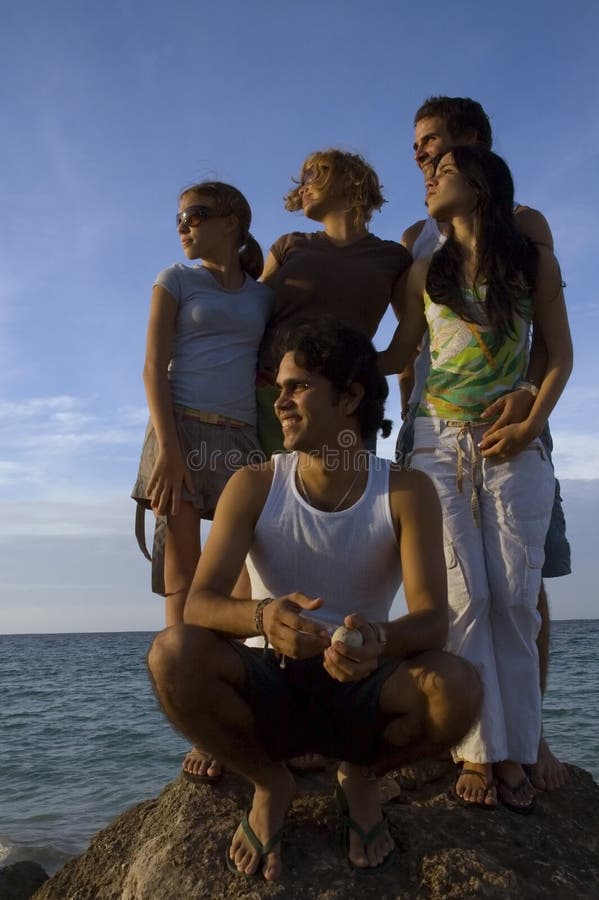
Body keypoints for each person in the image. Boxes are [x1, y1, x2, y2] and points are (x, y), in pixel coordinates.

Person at [147, 320, 481, 881]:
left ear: (350, 397)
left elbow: (430, 622)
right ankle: (268, 781)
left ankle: (361, 777)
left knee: (459, 688)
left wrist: (380, 640)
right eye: (278, 388)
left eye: (297, 387)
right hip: (271, 683)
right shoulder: (254, 483)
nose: (279, 402)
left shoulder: (404, 490)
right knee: (171, 654)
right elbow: (199, 604)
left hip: (358, 685)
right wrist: (262, 617)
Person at [380, 146, 573, 812]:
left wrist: (530, 418)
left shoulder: (531, 263)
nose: (428, 178)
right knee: (464, 599)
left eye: (444, 170)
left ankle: (518, 747)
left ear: (482, 186)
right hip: (436, 447)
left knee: (516, 598)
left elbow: (559, 354)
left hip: (512, 447)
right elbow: (394, 356)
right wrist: (303, 337)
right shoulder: (422, 274)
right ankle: (475, 751)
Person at [131, 181, 273, 782]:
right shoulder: (175, 278)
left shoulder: (264, 296)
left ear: (233, 220)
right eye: (180, 219)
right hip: (180, 431)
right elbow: (151, 367)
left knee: (241, 576)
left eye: (195, 215)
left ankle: (233, 708)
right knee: (182, 577)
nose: (183, 227)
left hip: (240, 437)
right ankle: (198, 719)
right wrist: (168, 450)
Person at [257, 148, 411, 456]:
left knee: (346, 500)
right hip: (272, 398)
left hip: (346, 404)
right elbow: (248, 317)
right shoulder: (289, 246)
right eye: (301, 179)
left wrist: (351, 370)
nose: (303, 186)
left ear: (349, 181)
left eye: (314, 174)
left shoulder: (393, 258)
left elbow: (410, 342)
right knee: (269, 497)